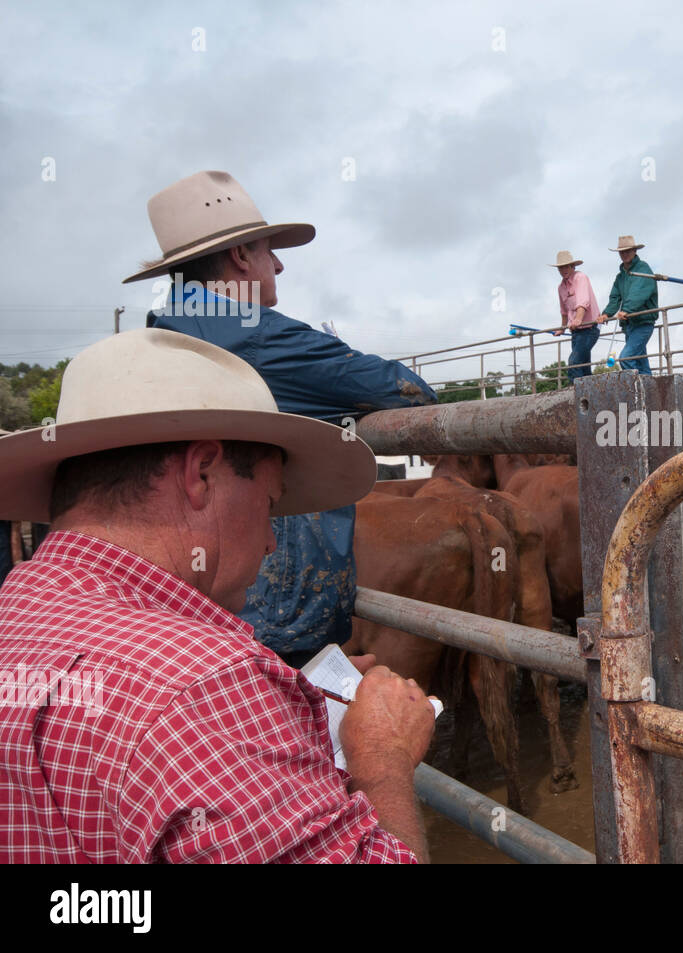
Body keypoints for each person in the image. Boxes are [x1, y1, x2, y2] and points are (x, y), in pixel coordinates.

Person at [0, 329, 435, 862]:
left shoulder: (17, 606)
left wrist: (276, 706)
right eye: (270, 506)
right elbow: (187, 707)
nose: (272, 539)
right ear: (201, 473)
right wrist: (382, 762)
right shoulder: (207, 686)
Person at [126, 171, 438, 665]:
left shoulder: (161, 334)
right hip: (274, 612)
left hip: (190, 602)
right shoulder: (258, 336)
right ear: (241, 256)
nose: (279, 265)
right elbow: (410, 394)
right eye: (270, 250)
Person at [601, 236, 658, 375]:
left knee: (626, 358)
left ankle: (636, 393)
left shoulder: (643, 268)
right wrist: (606, 314)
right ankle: (648, 391)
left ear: (634, 251)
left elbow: (638, 292)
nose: (624, 254)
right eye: (622, 252)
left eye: (628, 251)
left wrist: (626, 309)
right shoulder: (620, 277)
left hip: (643, 322)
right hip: (629, 325)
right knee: (640, 362)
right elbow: (615, 297)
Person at [549, 250, 604, 381]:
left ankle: (577, 397)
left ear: (573, 266)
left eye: (566, 266)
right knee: (584, 367)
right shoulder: (561, 287)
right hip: (576, 331)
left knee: (574, 363)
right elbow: (564, 311)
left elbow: (583, 301)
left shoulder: (580, 277)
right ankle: (592, 397)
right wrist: (562, 328)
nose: (563, 270)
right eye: (560, 267)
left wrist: (578, 318)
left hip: (590, 327)